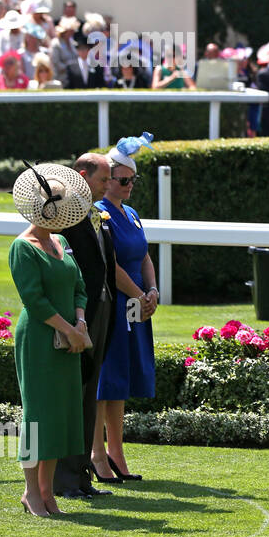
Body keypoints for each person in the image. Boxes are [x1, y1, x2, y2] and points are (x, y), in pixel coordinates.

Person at [8, 162, 94, 516]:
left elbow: (79, 287)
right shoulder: (22, 247)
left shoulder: (59, 241)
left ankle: (47, 492)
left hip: (69, 336)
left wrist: (80, 322)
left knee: (60, 415)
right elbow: (35, 300)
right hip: (40, 339)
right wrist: (69, 330)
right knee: (38, 416)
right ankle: (31, 492)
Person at [93, 133, 159, 483]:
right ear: (107, 182)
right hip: (114, 302)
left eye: (133, 179)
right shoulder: (99, 214)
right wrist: (137, 293)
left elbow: (143, 255)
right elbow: (110, 262)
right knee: (107, 380)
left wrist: (152, 290)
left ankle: (116, 451)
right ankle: (97, 454)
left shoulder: (130, 212)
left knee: (122, 380)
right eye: (123, 180)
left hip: (135, 302)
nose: (130, 185)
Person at [54, 154, 118, 501]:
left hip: (103, 309)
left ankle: (81, 478)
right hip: (79, 314)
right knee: (73, 394)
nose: (108, 185)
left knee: (89, 393)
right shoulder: (64, 213)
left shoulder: (98, 214)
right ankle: (64, 479)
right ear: (83, 175)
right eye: (104, 178)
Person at [51, 17, 84, 88]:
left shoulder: (72, 43)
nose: (72, 33)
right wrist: (68, 69)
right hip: (61, 76)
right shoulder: (56, 44)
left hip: (73, 76)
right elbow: (55, 62)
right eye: (70, 31)